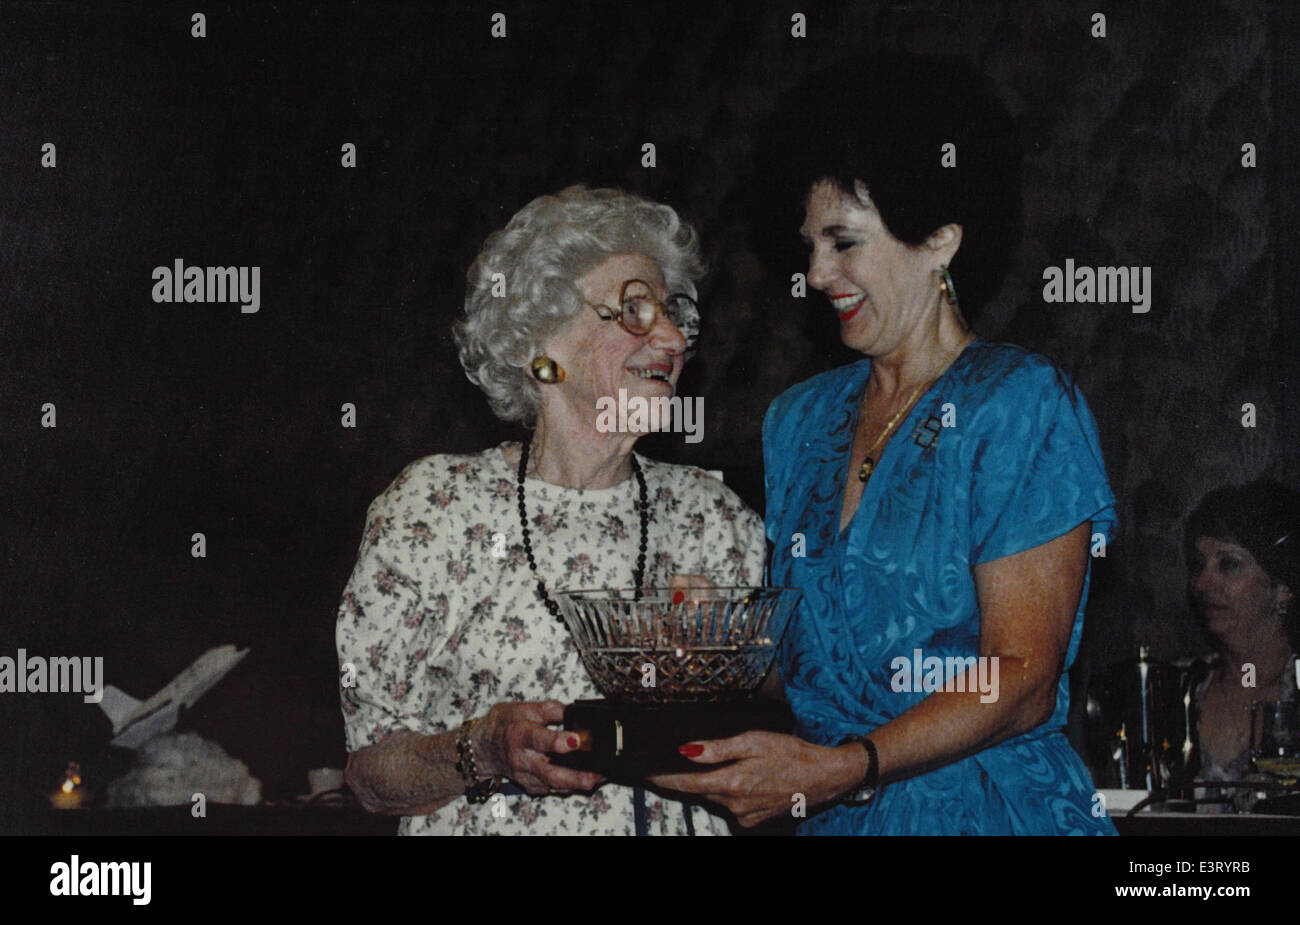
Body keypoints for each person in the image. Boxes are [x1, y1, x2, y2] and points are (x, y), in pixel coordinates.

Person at [653, 53, 1118, 834]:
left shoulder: (1021, 404)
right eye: (808, 245)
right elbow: (808, 683)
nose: (815, 271)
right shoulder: (797, 420)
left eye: (843, 241)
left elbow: (1023, 677)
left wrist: (851, 765)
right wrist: (729, 643)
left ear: (940, 237)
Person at [336, 185, 765, 835]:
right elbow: (371, 778)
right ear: (541, 351)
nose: (675, 338)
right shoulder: (438, 508)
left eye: (677, 316)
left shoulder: (714, 516)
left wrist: (726, 659)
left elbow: (802, 703)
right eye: (633, 311)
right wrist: (483, 749)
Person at [1181, 480, 1299, 793]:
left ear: (1283, 588)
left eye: (1228, 565)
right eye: (1198, 565)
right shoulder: (1184, 689)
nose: (1202, 585)